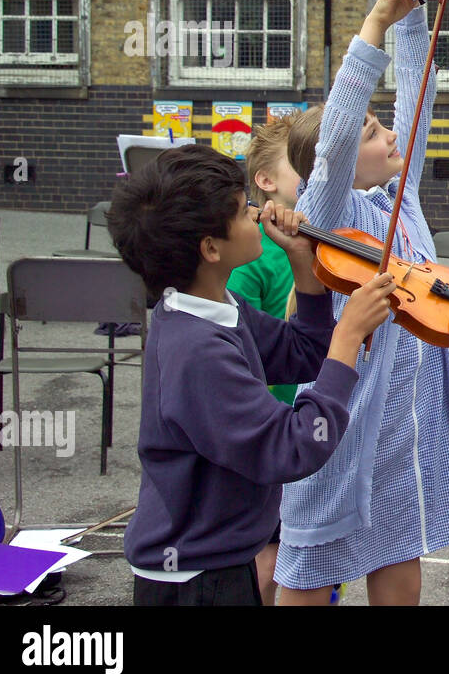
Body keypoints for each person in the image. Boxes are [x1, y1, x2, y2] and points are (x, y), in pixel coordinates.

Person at [106, 143, 394, 605]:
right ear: (210, 248)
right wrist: (349, 338)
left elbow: (304, 351)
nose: (260, 215)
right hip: (194, 580)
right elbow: (294, 446)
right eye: (243, 212)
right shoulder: (196, 350)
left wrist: (304, 263)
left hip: (220, 559)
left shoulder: (213, 308)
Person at [275, 0, 449, 607]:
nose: (389, 135)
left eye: (382, 127)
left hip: (408, 423)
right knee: (311, 565)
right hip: (348, 422)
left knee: (398, 553)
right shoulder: (328, 209)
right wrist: (373, 28)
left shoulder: (400, 198)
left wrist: (409, 9)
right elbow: (330, 146)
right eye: (372, 132)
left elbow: (418, 95)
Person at [227, 115, 303, 604]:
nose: (318, 174)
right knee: (273, 553)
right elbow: (242, 345)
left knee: (313, 554)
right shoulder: (253, 251)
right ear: (266, 181)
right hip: (277, 422)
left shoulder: (337, 231)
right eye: (304, 166)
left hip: (320, 414)